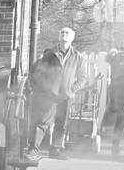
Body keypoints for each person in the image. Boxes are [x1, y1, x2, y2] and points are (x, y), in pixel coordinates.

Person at [24, 26, 82, 160]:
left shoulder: (77, 57)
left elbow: (82, 77)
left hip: (65, 95)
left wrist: (72, 89)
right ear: (59, 36)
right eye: (62, 32)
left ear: (72, 38)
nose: (64, 34)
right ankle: (33, 149)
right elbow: (39, 72)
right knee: (43, 121)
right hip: (49, 95)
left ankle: (55, 150)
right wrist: (47, 88)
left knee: (61, 123)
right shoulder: (50, 54)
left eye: (67, 32)